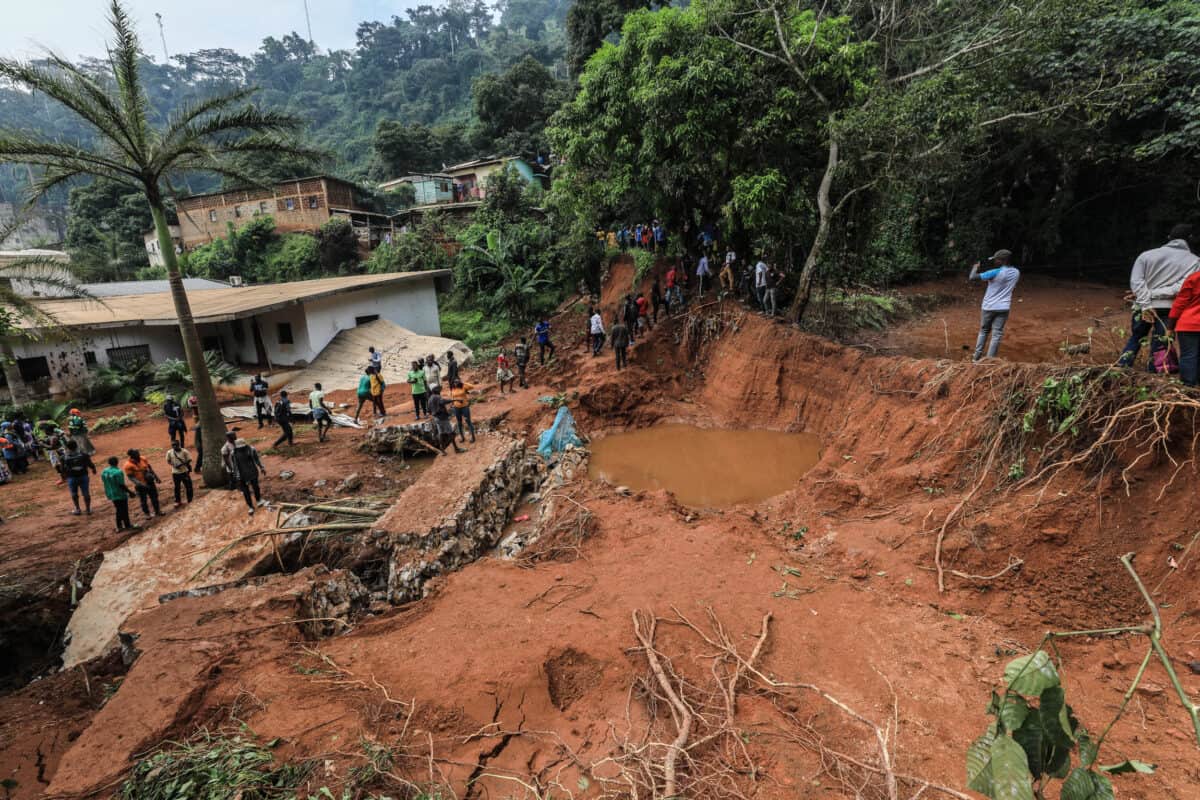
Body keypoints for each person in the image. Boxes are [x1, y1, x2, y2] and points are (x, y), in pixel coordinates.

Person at [1118, 224, 1199, 370]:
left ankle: (1122, 367)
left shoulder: (1146, 255)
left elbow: (1136, 282)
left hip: (1142, 305)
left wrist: (1146, 300)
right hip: (1168, 308)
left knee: (1137, 337)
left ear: (1169, 238)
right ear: (1191, 239)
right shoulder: (1195, 261)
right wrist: (1154, 295)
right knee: (1161, 344)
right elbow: (1181, 288)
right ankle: (1152, 375)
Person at [969, 249, 1022, 361]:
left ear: (1002, 260)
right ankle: (989, 360)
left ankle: (976, 358)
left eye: (996, 259)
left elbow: (972, 277)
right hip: (1004, 308)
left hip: (989, 307)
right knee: (997, 334)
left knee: (984, 331)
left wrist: (975, 267)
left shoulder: (995, 272)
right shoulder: (1016, 272)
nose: (994, 261)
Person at [1169, 268, 1200, 385]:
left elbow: (1180, 302)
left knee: (1188, 355)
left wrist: (1170, 326)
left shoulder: (1194, 277)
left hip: (1189, 324)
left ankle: (1188, 387)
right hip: (1190, 324)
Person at [230, 438, 267, 514]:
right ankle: (250, 506)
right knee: (246, 492)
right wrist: (236, 476)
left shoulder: (251, 449)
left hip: (252, 472)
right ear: (236, 447)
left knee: (256, 487)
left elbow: (257, 460)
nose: (241, 448)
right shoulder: (233, 453)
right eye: (239, 447)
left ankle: (259, 500)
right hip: (241, 475)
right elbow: (234, 466)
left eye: (242, 447)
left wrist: (261, 467)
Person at [123, 448, 162, 519]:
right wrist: (140, 484)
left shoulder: (143, 458)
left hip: (150, 481)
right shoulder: (128, 465)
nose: (138, 455)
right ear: (132, 456)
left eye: (138, 453)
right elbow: (131, 477)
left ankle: (158, 511)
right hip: (140, 485)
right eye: (136, 454)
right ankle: (147, 514)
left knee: (154, 497)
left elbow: (149, 468)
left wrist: (156, 477)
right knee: (143, 500)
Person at [61, 439, 96, 515]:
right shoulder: (83, 454)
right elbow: (90, 464)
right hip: (83, 476)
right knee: (86, 493)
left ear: (67, 447)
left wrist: (64, 477)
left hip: (71, 477)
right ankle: (88, 509)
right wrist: (93, 469)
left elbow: (62, 469)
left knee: (74, 493)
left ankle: (77, 509)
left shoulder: (64, 457)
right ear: (76, 445)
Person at [102, 456, 135, 532]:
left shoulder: (104, 471)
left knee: (119, 509)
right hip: (119, 494)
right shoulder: (118, 472)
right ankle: (126, 525)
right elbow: (121, 485)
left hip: (111, 493)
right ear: (117, 462)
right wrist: (130, 492)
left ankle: (120, 526)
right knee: (123, 510)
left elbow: (104, 481)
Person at [427, 387, 464, 454]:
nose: (440, 391)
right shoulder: (437, 397)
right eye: (439, 390)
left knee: (441, 434)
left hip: (436, 418)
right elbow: (443, 401)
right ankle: (456, 449)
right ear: (436, 391)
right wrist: (455, 400)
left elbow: (429, 411)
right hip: (442, 418)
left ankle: (442, 450)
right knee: (450, 433)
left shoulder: (430, 399)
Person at [165, 440, 194, 506]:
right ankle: (178, 501)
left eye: (175, 445)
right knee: (177, 487)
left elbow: (189, 459)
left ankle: (190, 500)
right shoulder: (169, 452)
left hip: (184, 472)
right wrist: (173, 465)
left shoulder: (184, 451)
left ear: (179, 445)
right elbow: (168, 460)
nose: (174, 446)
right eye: (173, 445)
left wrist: (181, 464)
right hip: (175, 473)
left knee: (188, 486)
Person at [448, 378, 477, 443]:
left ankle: (473, 437)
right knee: (459, 422)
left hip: (464, 407)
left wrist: (464, 383)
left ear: (459, 382)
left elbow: (472, 386)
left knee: (468, 421)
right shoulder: (453, 388)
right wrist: (452, 404)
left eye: (457, 382)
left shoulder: (463, 386)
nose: (455, 383)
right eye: (454, 382)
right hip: (456, 408)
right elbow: (452, 397)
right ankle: (462, 437)